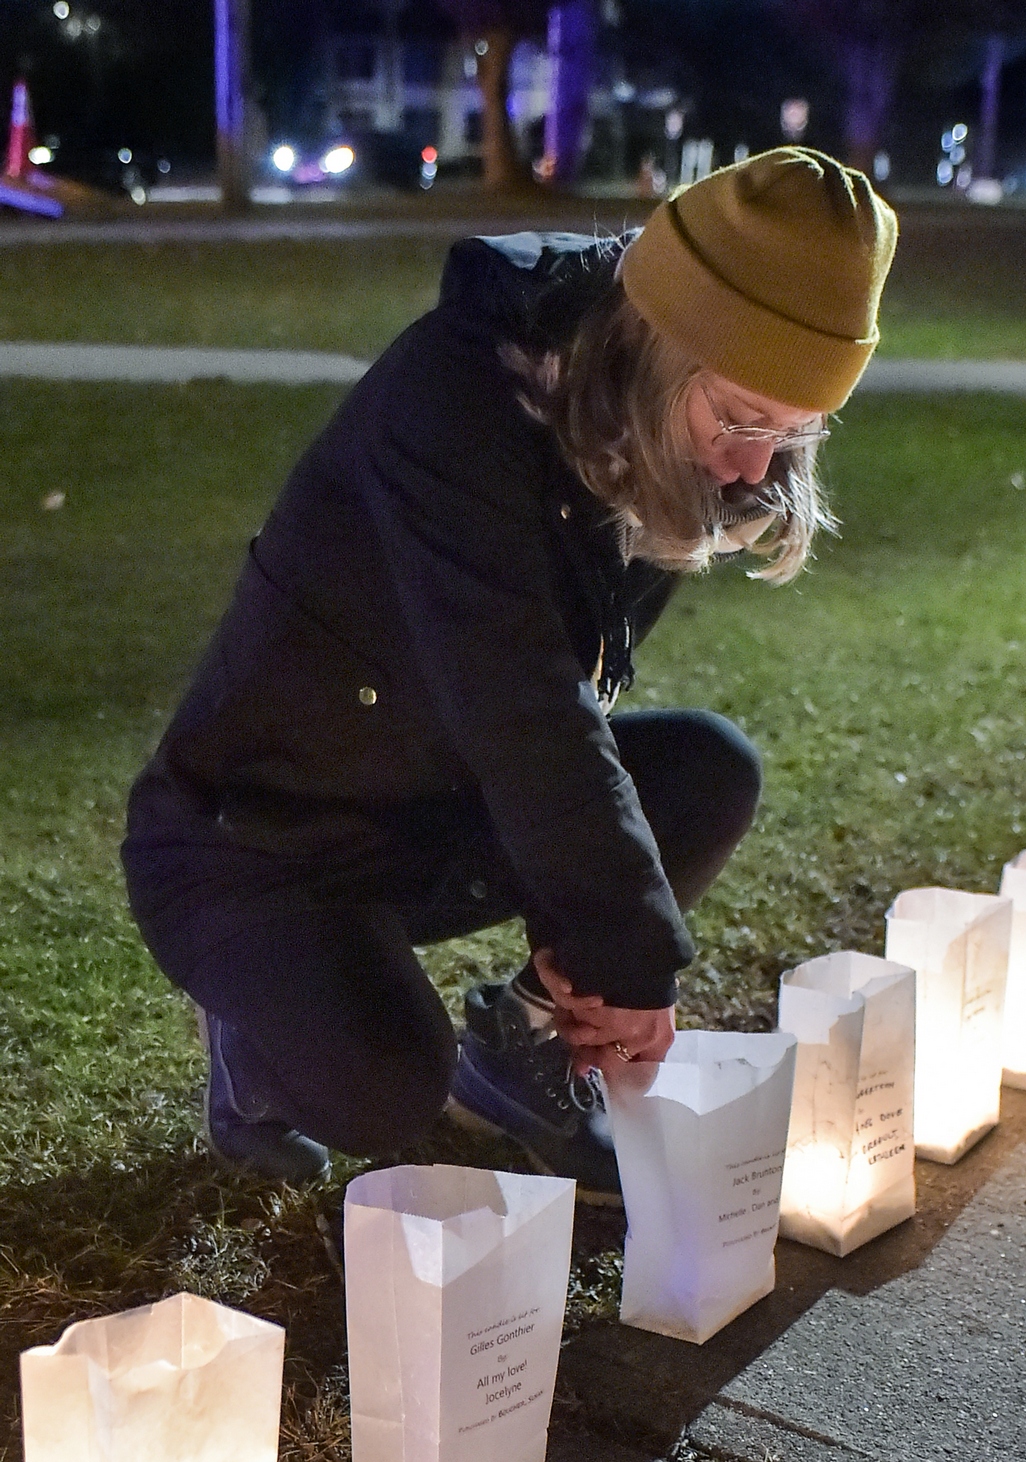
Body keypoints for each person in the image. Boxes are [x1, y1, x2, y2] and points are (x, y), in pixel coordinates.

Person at [121, 147, 897, 1198]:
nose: (758, 468)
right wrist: (627, 966)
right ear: (662, 345)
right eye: (744, 419)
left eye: (797, 430)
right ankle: (257, 1047)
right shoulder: (455, 405)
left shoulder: (668, 435)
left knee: (707, 771)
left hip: (436, 803)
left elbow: (577, 699)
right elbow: (525, 709)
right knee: (386, 1088)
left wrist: (588, 947)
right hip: (254, 835)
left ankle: (523, 1058)